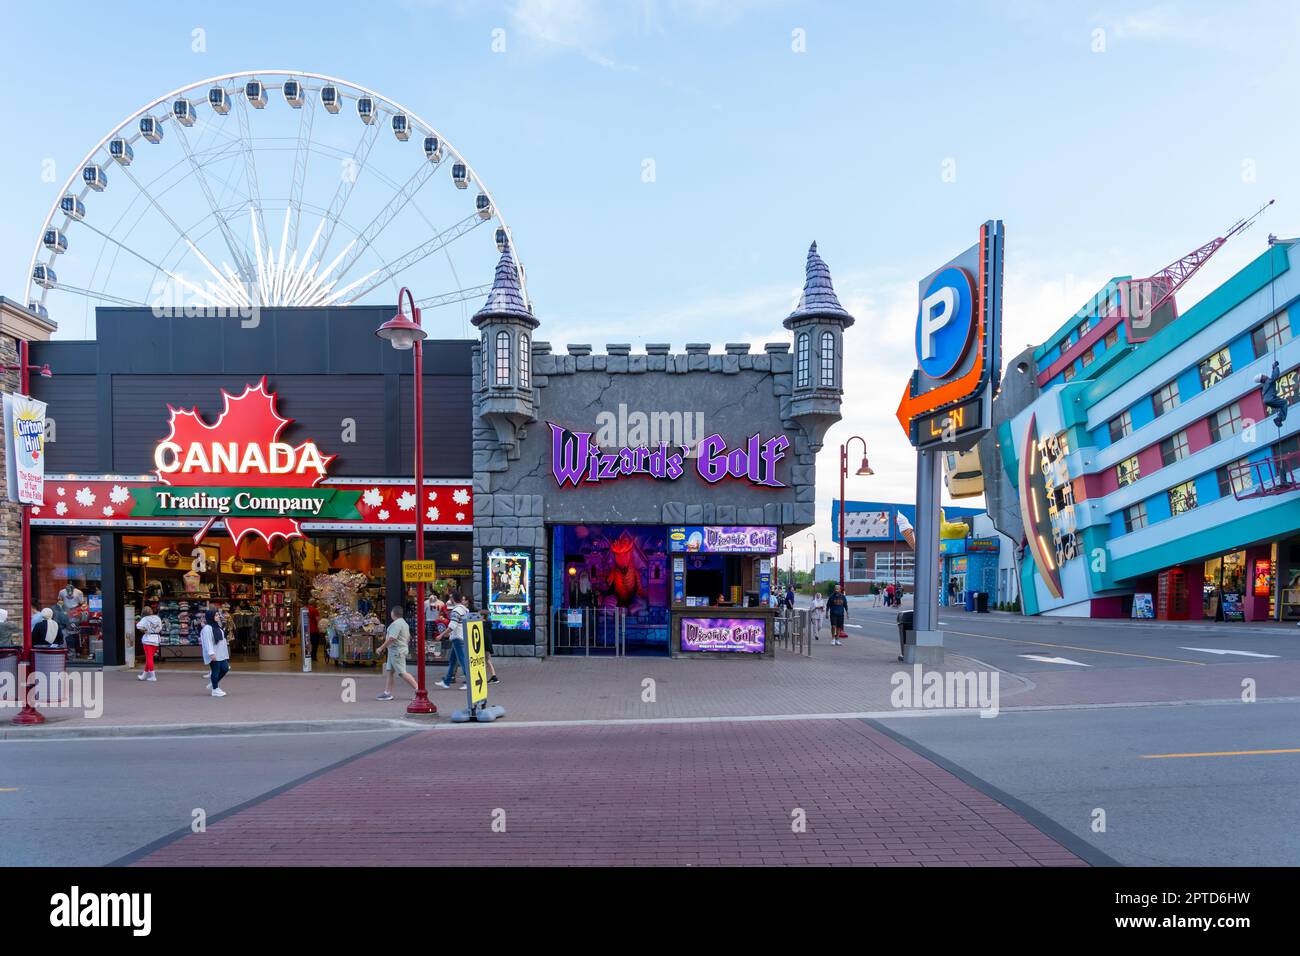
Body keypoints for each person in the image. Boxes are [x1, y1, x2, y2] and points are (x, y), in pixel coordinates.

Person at [375, 606, 419, 701]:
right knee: (390, 672)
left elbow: (392, 638)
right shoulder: (404, 623)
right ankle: (387, 693)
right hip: (395, 650)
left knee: (402, 672)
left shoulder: (396, 624)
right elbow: (408, 637)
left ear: (393, 613)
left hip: (396, 651)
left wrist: (381, 648)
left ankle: (418, 690)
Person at [435, 592, 470, 690]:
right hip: (461, 637)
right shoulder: (465, 609)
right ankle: (446, 681)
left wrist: (441, 635)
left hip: (457, 638)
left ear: (453, 599)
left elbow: (452, 625)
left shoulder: (456, 610)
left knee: (462, 661)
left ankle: (468, 683)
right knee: (453, 660)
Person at [199, 608, 230, 698]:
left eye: (217, 615)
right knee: (215, 671)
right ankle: (215, 689)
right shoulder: (207, 628)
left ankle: (213, 684)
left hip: (221, 652)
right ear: (211, 617)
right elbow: (208, 641)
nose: (218, 617)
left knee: (225, 668)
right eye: (216, 615)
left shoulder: (216, 626)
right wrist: (211, 653)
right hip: (214, 653)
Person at [136, 603, 164, 682]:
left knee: (149, 658)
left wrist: (145, 630)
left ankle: (153, 676)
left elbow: (138, 626)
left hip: (148, 639)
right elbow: (160, 627)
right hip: (156, 639)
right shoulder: (157, 618)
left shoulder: (145, 619)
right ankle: (144, 675)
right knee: (150, 658)